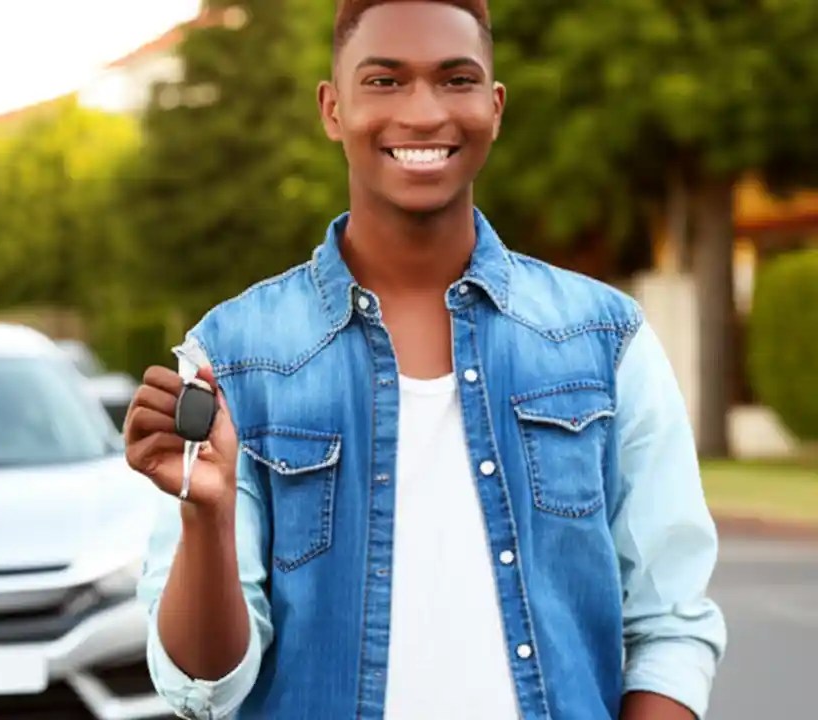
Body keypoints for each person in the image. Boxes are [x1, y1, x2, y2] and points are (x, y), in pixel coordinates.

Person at [123, 0, 727, 718]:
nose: (422, 112)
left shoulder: (606, 340)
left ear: (494, 107)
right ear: (332, 108)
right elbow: (204, 684)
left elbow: (669, 626)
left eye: (455, 79)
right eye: (384, 81)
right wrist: (207, 518)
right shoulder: (232, 359)